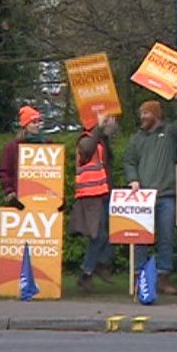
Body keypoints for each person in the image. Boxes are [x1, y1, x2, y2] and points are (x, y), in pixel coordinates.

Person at [123, 96, 177, 295]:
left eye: (146, 113)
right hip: (142, 197)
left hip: (166, 195)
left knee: (166, 238)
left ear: (156, 114)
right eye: (141, 113)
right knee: (140, 238)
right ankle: (140, 277)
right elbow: (128, 160)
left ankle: (163, 277)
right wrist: (132, 179)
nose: (142, 117)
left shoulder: (170, 133)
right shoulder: (136, 139)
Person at [70, 113, 118, 292]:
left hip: (103, 192)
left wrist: (107, 132)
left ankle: (94, 268)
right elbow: (86, 151)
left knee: (106, 234)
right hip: (91, 194)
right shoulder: (85, 139)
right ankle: (89, 271)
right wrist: (99, 128)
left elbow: (108, 161)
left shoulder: (100, 140)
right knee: (99, 235)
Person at [0, 105, 47, 208]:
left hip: (43, 199)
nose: (38, 125)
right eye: (34, 122)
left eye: (39, 121)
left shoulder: (48, 146)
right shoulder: (12, 147)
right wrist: (9, 192)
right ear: (25, 125)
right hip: (19, 200)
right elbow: (4, 171)